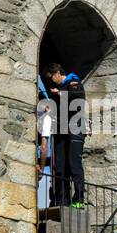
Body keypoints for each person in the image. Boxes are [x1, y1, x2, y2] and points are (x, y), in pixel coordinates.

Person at [43, 62, 86, 208]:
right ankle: (62, 200)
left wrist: (60, 94)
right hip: (61, 129)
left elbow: (78, 98)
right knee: (60, 166)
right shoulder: (56, 89)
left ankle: (79, 199)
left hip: (75, 128)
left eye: (51, 77)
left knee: (74, 164)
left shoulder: (73, 81)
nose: (51, 81)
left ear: (57, 73)